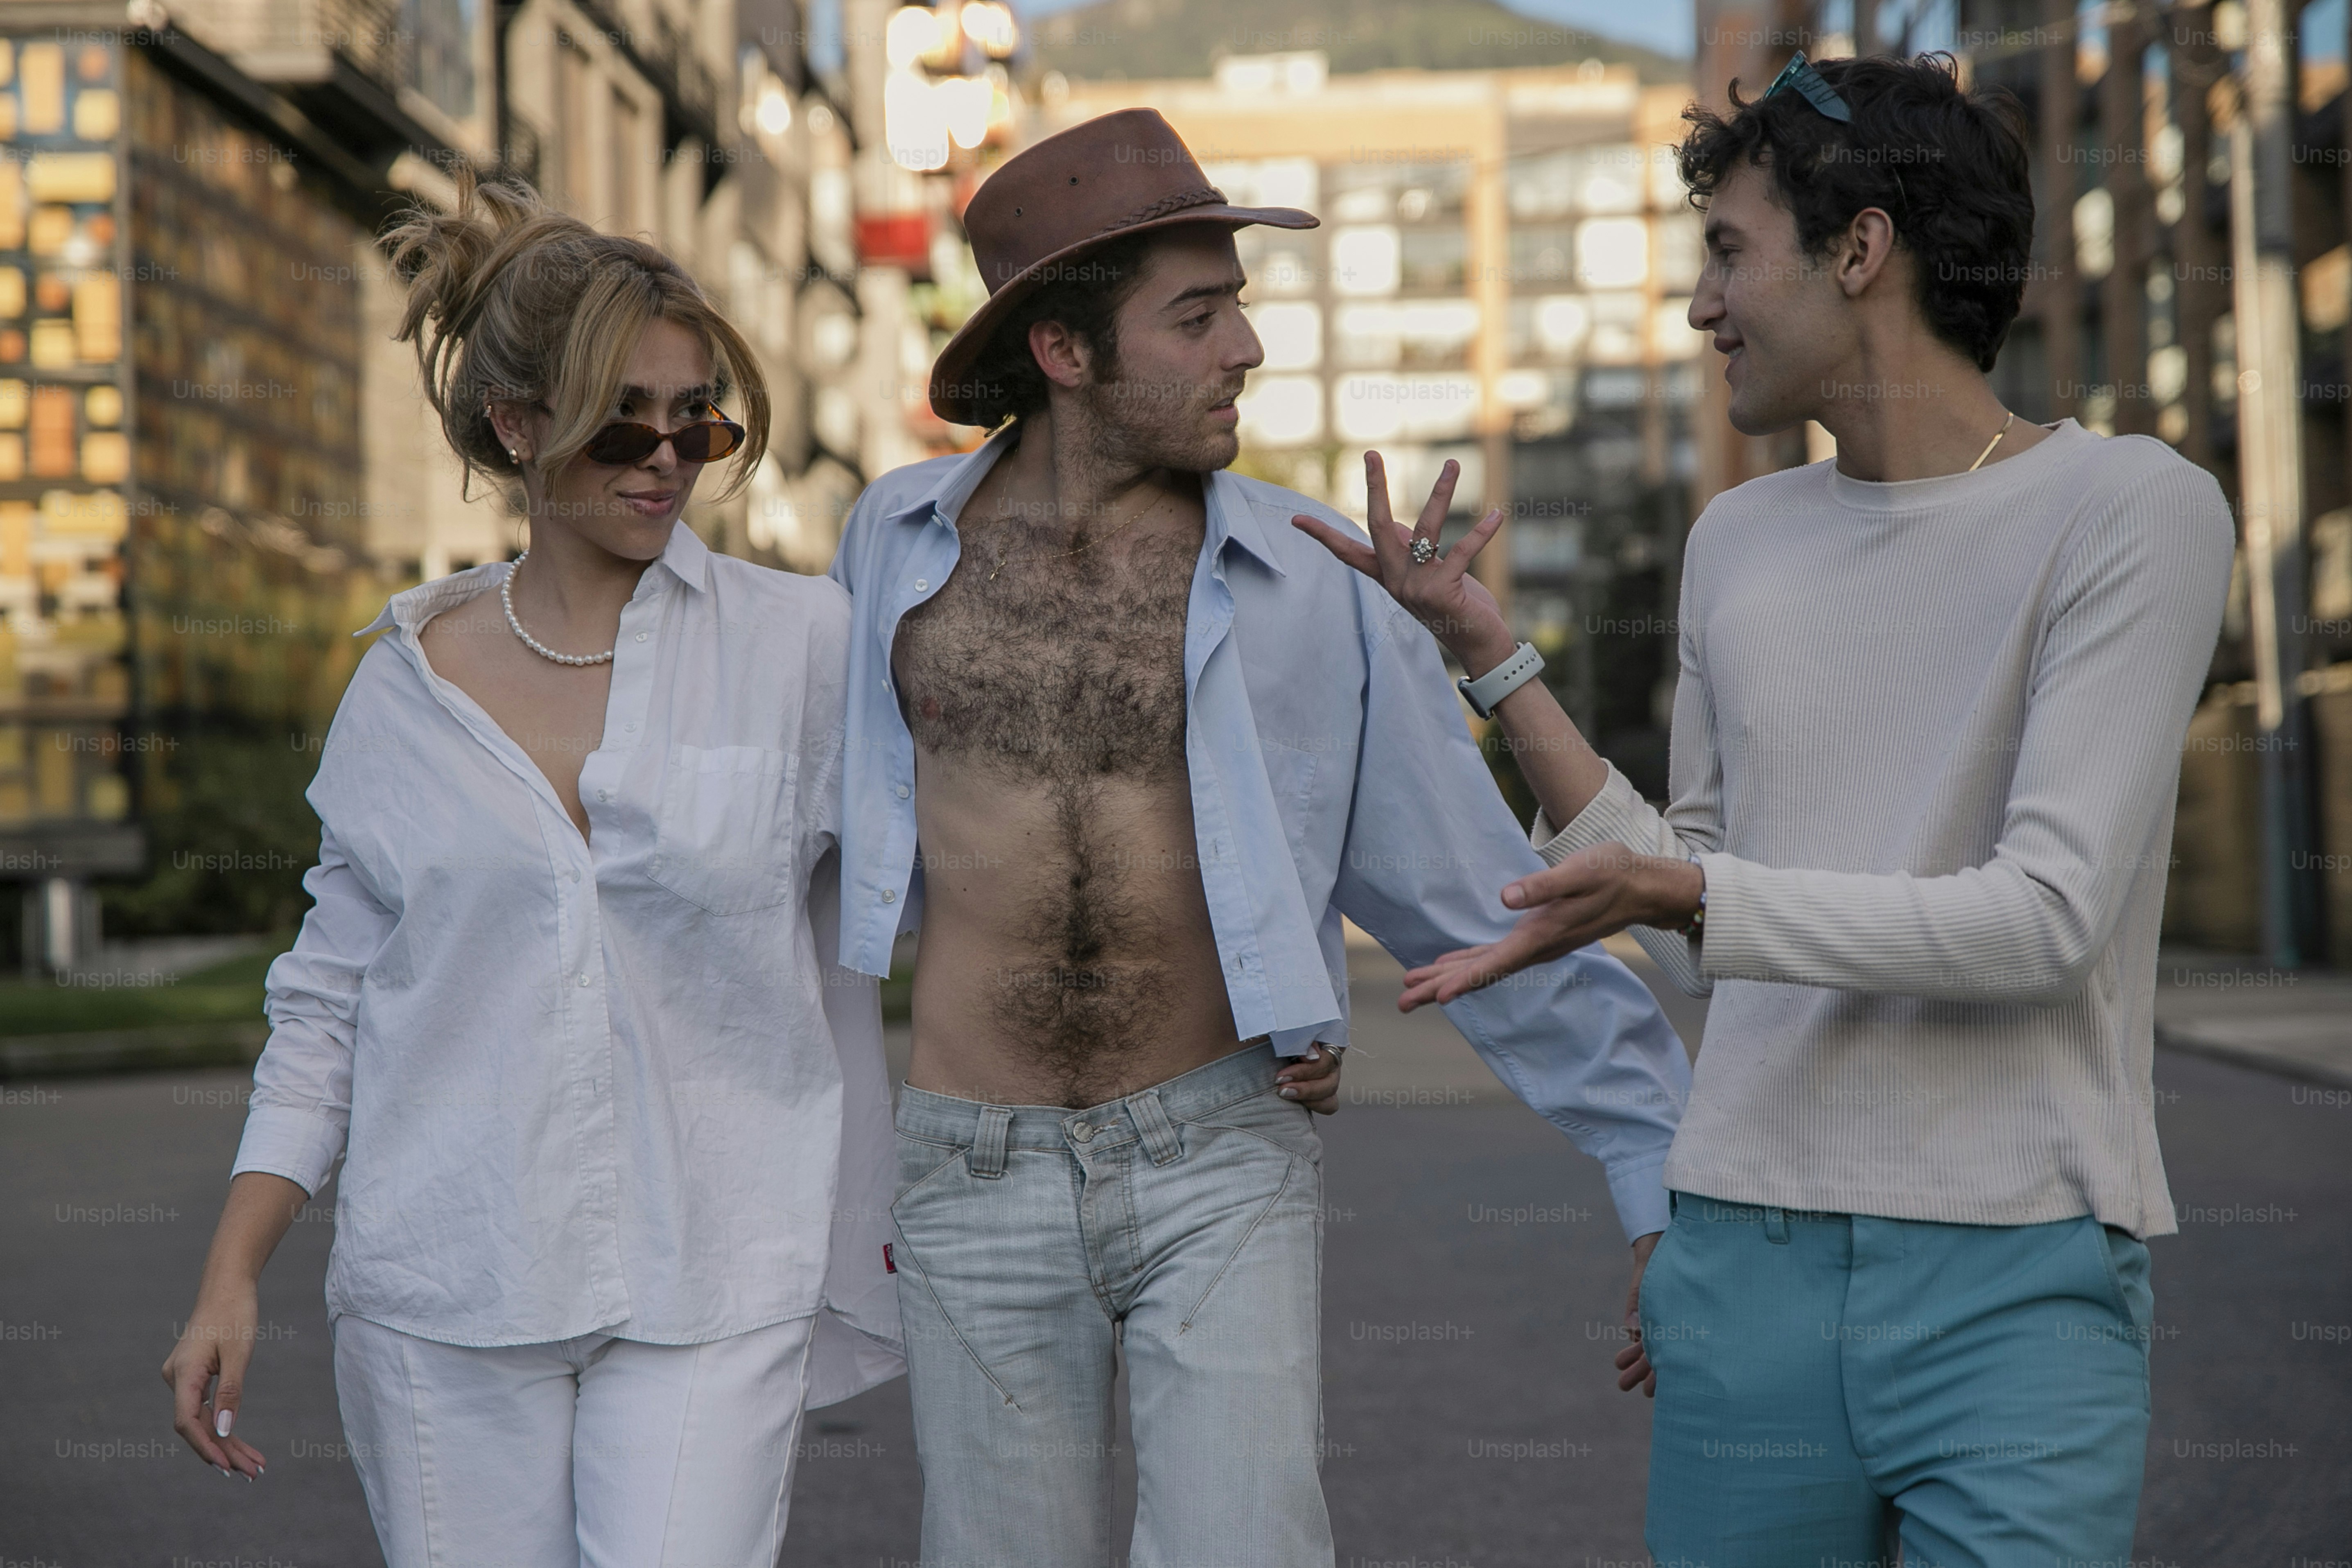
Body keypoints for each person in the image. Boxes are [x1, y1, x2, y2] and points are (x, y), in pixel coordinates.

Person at [1301, 53, 2233, 1568]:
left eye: (1729, 252)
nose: (1699, 306)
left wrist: (1691, 901)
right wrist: (1490, 659)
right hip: (1740, 1257)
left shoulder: (2129, 509)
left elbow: (2044, 921)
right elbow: (1704, 918)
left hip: (2018, 1278)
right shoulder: (1735, 537)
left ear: (1860, 250)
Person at [826, 108, 1692, 1568]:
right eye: (1198, 315)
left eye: (1237, 308)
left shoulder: (1314, 581)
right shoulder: (890, 549)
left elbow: (1475, 897)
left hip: (1215, 1151)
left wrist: (1655, 1176)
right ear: (1063, 352)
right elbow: (791, 841)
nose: (1247, 349)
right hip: (970, 1170)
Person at [160, 174, 902, 1566]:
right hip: (447, 1280)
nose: (667, 454)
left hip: (717, 1266)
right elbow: (327, 1006)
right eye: (627, 415)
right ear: (517, 426)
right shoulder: (401, 687)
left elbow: (962, 862)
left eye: (701, 420)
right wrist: (231, 1273)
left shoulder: (803, 646)